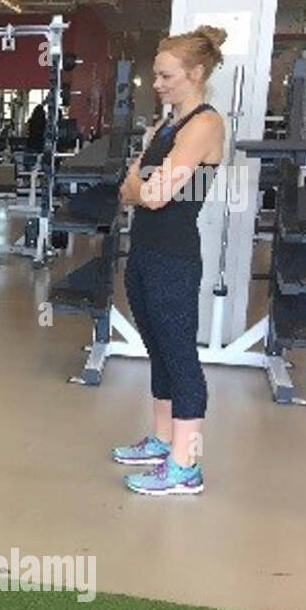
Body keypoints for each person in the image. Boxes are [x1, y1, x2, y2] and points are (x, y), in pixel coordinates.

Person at [113, 26, 227, 496]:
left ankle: (187, 465)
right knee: (157, 349)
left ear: (195, 73)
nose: (156, 83)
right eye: (156, 75)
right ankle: (163, 441)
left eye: (165, 75)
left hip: (174, 257)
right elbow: (128, 188)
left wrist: (145, 187)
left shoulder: (205, 124)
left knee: (181, 358)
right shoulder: (163, 126)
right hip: (143, 251)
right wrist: (144, 187)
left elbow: (155, 194)